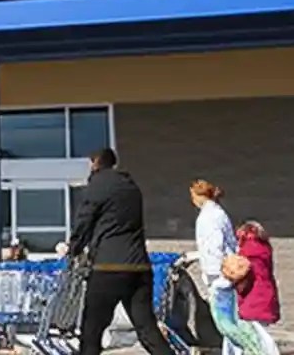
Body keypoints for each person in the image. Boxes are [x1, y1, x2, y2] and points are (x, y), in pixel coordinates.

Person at [68, 148, 173, 355]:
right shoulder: (131, 187)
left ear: (96, 163)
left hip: (109, 267)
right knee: (146, 328)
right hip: (139, 266)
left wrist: (74, 248)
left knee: (92, 329)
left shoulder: (99, 184)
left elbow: (84, 220)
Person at [189, 181, 278, 355]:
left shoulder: (208, 217)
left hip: (220, 276)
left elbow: (213, 248)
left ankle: (255, 349)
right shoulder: (218, 214)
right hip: (227, 274)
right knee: (232, 321)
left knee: (226, 324)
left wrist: (213, 273)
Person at [236, 221, 281, 326]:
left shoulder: (246, 252)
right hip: (267, 294)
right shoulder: (265, 248)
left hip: (251, 298)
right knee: (262, 332)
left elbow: (243, 279)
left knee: (254, 336)